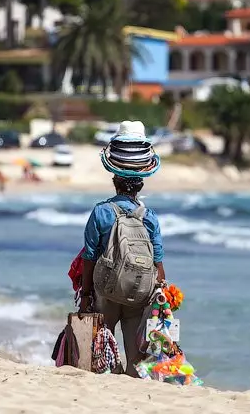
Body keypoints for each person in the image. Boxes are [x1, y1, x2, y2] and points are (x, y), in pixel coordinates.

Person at [79, 121, 165, 377]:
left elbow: (90, 256)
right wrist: (163, 293)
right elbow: (157, 261)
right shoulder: (149, 217)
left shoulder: (101, 212)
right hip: (139, 292)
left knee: (99, 351)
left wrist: (86, 295)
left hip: (106, 290)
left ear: (114, 179)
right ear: (141, 183)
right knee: (136, 357)